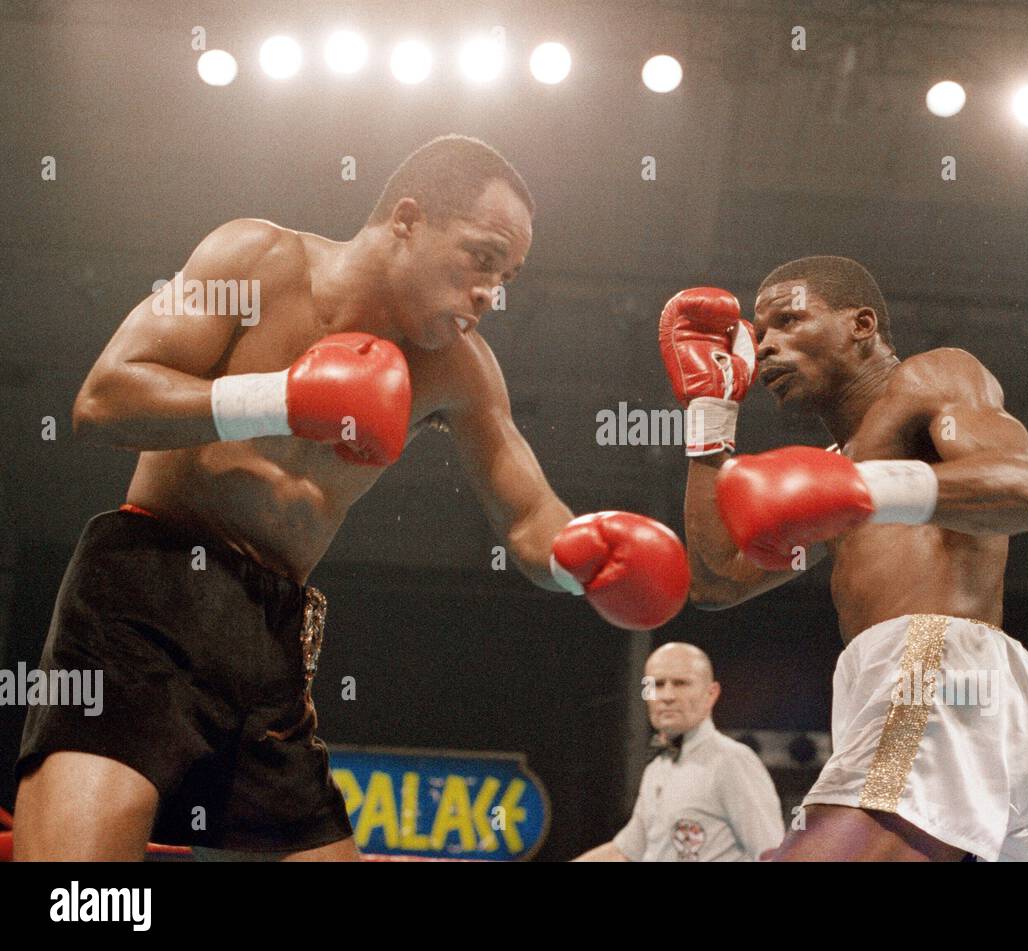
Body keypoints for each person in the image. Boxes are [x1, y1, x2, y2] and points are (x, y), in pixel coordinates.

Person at [13, 134, 688, 861]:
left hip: (271, 634)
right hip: (145, 596)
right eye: (482, 258)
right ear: (406, 219)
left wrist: (585, 554)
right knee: (81, 898)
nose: (491, 292)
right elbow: (104, 398)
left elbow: (527, 516)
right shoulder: (255, 260)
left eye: (507, 275)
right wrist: (284, 397)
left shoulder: (459, 370)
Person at [658, 258, 1028, 861]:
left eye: (790, 320)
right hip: (904, 686)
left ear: (861, 325)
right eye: (760, 332)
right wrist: (711, 417)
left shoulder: (932, 377)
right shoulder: (833, 471)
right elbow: (717, 583)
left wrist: (863, 491)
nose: (766, 345)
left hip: (938, 668)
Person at [574, 643, 783, 862]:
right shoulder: (658, 767)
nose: (667, 695)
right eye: (658, 684)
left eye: (681, 683)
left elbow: (775, 855)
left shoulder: (732, 761)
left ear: (711, 694)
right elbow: (625, 852)